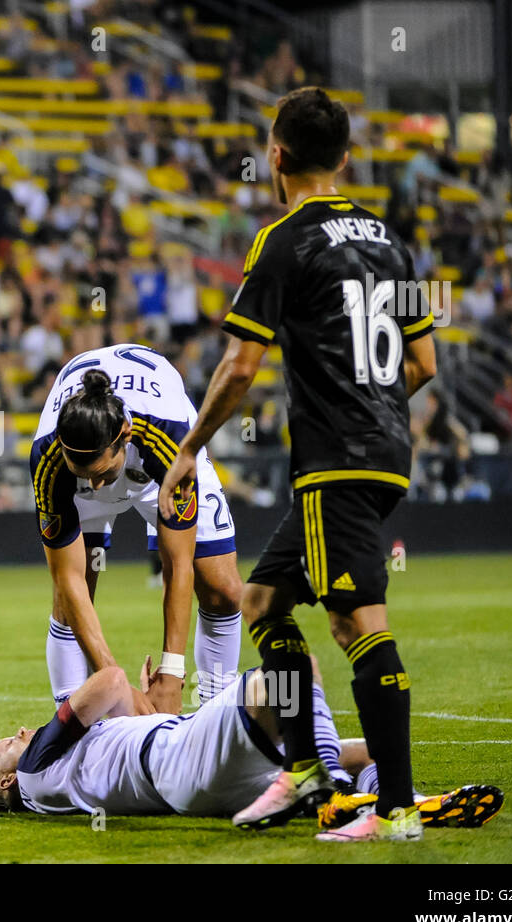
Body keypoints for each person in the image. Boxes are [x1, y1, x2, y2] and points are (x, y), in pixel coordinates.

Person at [160, 88, 439, 841]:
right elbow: (424, 360)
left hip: (335, 461)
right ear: (346, 158)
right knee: (261, 601)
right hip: (384, 451)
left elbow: (240, 366)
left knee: (355, 622)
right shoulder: (391, 240)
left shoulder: (282, 241)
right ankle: (307, 765)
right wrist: (373, 405)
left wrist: (189, 450)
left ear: (275, 156)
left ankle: (396, 809)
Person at [0, 662, 503, 839]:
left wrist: (145, 707)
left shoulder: (58, 786)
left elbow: (115, 716)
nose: (22, 731)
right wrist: (144, 699)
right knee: (292, 672)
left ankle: (400, 803)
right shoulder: (32, 771)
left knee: (368, 752)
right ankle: (337, 795)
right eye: (10, 741)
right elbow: (108, 681)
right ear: (8, 780)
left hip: (193, 784)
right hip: (178, 755)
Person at [30, 346, 244, 717]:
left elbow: (177, 564)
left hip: (159, 468)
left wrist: (171, 675)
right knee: (69, 602)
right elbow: (69, 580)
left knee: (223, 589)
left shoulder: (168, 439)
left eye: (102, 474)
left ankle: (216, 719)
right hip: (85, 470)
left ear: (124, 437)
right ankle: (71, 728)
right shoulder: (49, 461)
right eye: (85, 475)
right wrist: (115, 684)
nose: (96, 488)